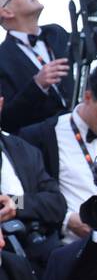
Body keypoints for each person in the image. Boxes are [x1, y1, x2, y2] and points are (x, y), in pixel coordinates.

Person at [18, 62, 97, 243]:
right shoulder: (39, 136)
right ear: (88, 97)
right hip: (61, 250)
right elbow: (20, 201)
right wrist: (66, 220)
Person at [0, 0, 97, 133]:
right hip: (41, 149)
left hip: (82, 134)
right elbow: (7, 120)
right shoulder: (3, 58)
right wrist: (37, 85)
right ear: (6, 12)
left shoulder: (56, 33)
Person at [0, 93, 67, 270]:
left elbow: (57, 204)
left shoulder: (25, 150)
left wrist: (16, 203)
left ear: (0, 103)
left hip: (38, 255)